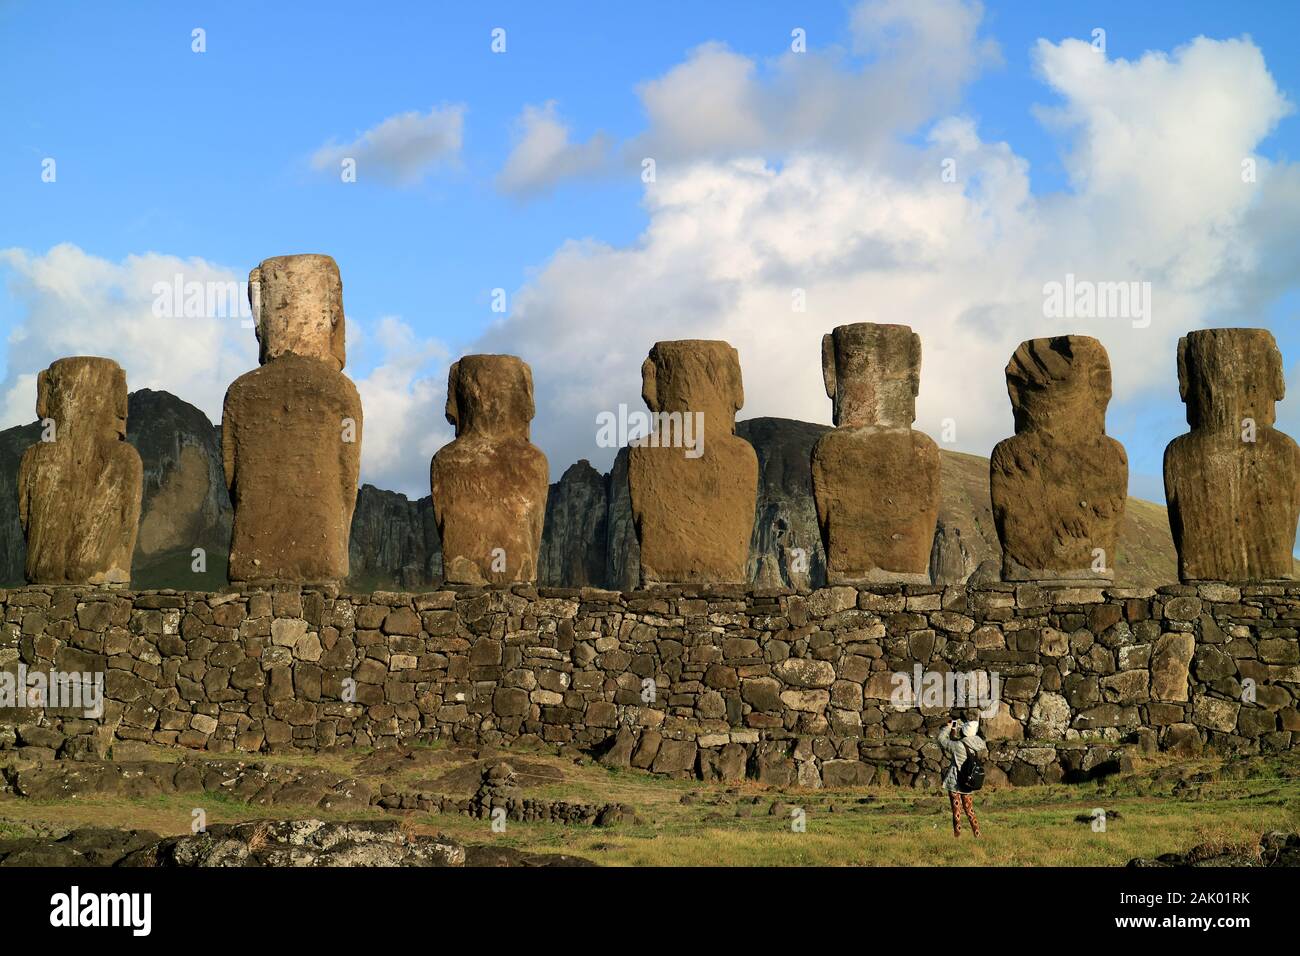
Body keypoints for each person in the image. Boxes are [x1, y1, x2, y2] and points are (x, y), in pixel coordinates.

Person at [938, 718, 985, 838]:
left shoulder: (958, 745)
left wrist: (949, 727)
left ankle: (957, 836)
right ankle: (977, 834)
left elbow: (942, 740)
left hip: (955, 781)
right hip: (969, 781)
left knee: (956, 811)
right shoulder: (979, 744)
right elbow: (962, 741)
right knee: (970, 810)